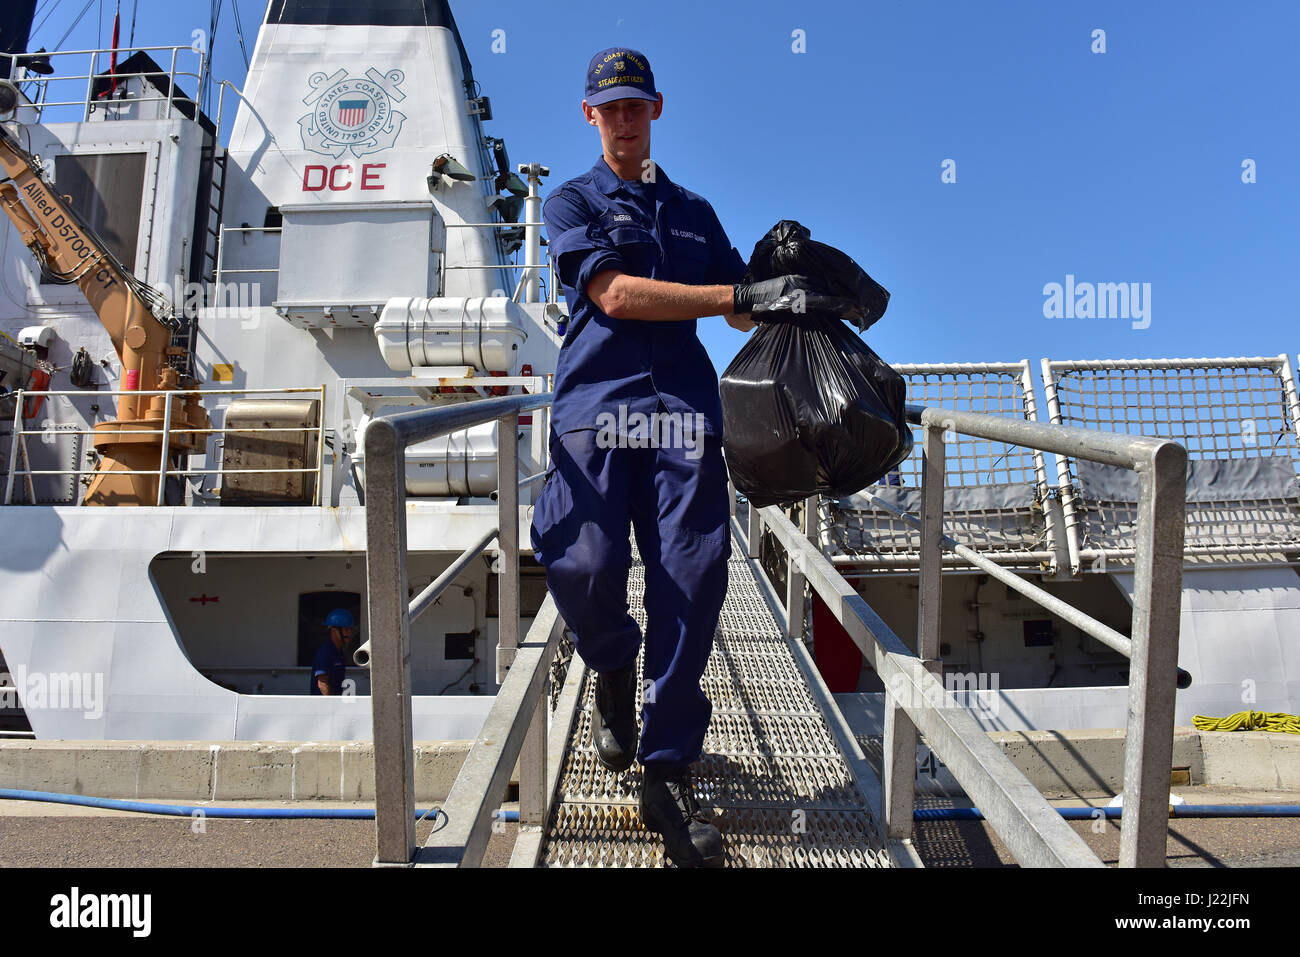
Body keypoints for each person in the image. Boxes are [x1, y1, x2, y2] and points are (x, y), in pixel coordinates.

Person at [530, 47, 822, 868]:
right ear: (591, 115)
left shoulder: (695, 212)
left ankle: (666, 770)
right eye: (609, 106)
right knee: (583, 564)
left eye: (636, 105)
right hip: (598, 412)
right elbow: (615, 293)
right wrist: (737, 295)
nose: (624, 118)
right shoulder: (571, 201)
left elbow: (741, 311)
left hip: (682, 420)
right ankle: (614, 676)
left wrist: (786, 278)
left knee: (691, 578)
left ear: (657, 109)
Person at [310, 608, 355, 696]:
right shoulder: (326, 652)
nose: (349, 633)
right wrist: (333, 706)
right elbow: (322, 684)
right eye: (346, 629)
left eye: (350, 629)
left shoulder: (338, 651)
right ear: (334, 630)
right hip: (323, 706)